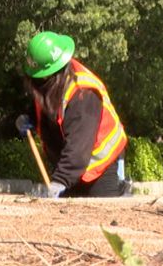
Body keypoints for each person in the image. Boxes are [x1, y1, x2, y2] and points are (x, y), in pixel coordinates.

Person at [16, 31, 128, 198]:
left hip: (101, 165)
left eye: (40, 78)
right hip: (73, 165)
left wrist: (60, 181)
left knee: (103, 218)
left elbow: (78, 148)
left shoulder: (83, 94)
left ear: (52, 74)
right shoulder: (49, 84)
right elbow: (50, 112)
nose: (35, 83)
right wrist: (29, 119)